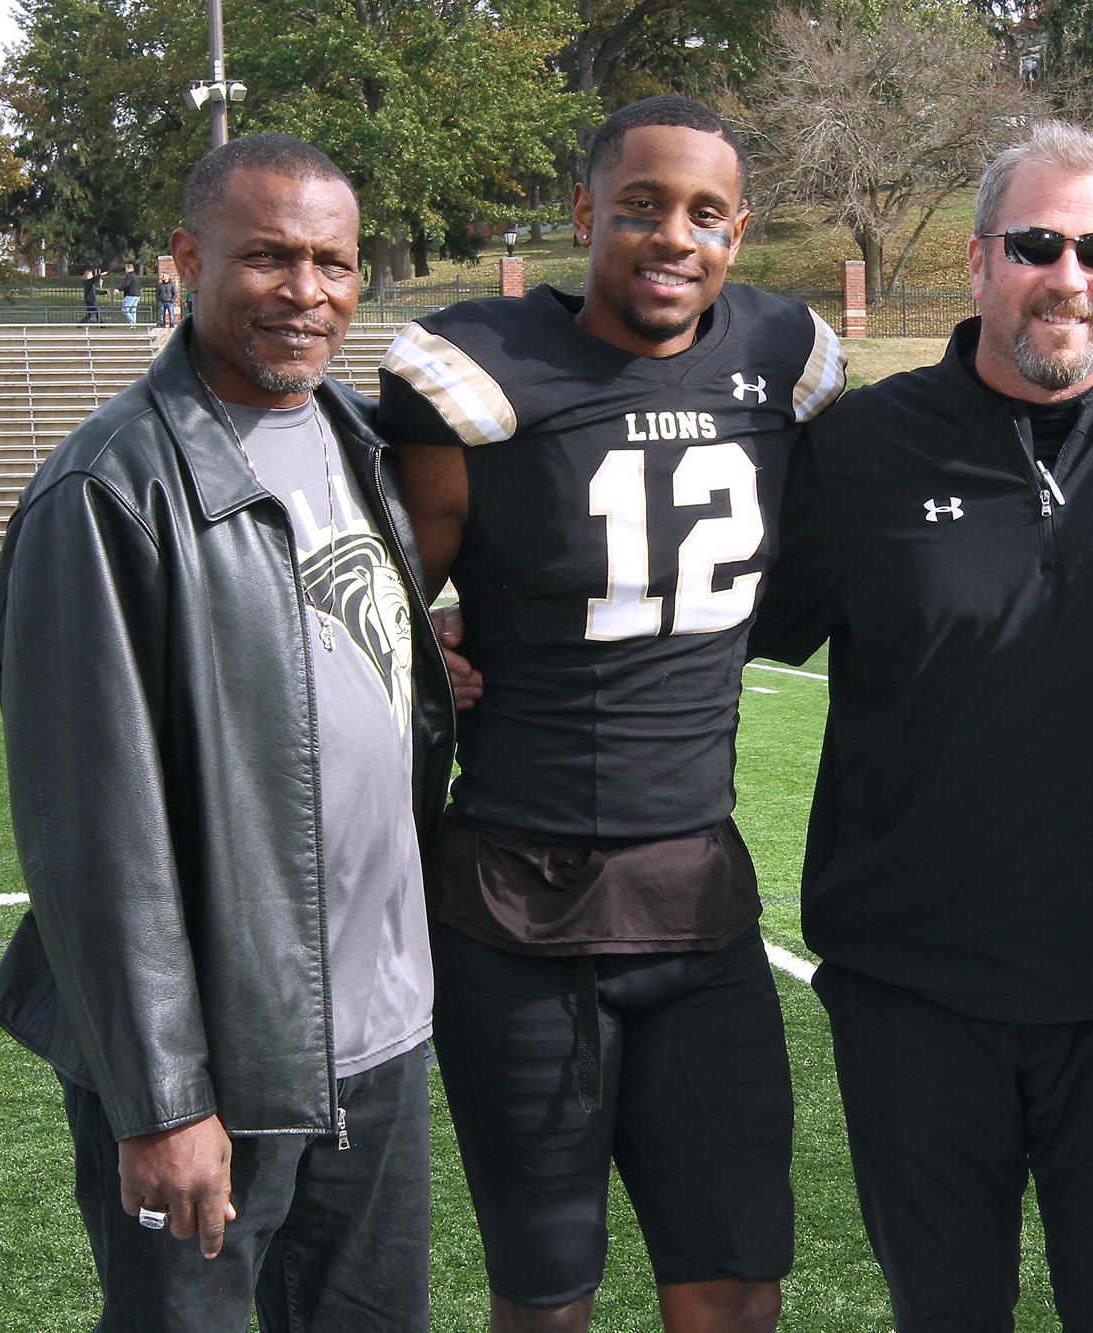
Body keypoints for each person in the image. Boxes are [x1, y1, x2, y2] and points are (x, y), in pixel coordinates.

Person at [749, 120, 1093, 1331]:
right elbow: (710, 620)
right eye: (1036, 245)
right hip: (912, 995)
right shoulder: (859, 449)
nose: (1068, 276)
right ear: (977, 261)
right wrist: (484, 631)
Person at [375, 96, 843, 1333]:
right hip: (516, 912)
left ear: (738, 231)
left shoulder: (784, 351)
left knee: (736, 1286)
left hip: (699, 905)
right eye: (639, 205)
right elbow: (375, 598)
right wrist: (424, 648)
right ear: (583, 213)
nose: (672, 236)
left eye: (703, 213)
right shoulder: (477, 369)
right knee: (546, 1298)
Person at [0, 132, 454, 1332]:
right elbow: (92, 834)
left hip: (380, 1036)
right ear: (187, 261)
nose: (306, 291)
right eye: (268, 257)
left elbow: (305, 658)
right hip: (220, 1064)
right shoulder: (106, 488)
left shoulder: (357, 438)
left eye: (332, 263)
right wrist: (162, 1099)